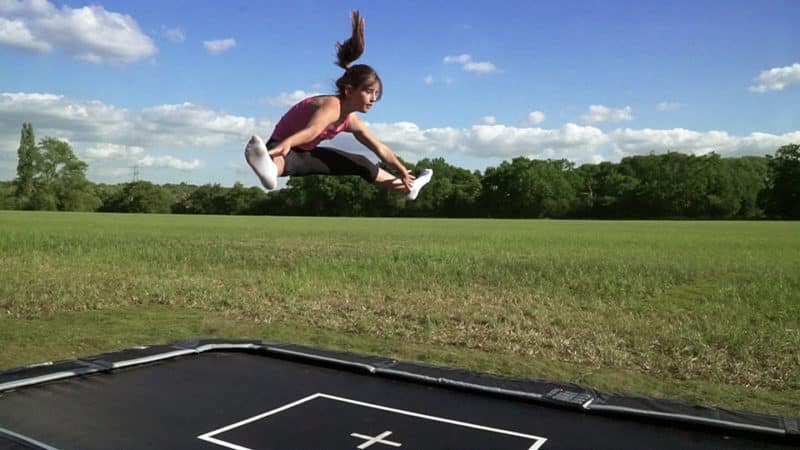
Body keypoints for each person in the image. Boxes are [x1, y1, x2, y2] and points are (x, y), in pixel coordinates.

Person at [245, 10, 433, 201]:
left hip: (305, 152)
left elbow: (379, 148)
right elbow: (312, 130)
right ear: (349, 90)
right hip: (282, 145)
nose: (373, 98)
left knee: (361, 163)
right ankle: (268, 167)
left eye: (376, 94)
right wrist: (288, 143)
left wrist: (402, 169)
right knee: (285, 157)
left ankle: (409, 188)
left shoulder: (352, 120)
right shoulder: (332, 106)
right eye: (368, 92)